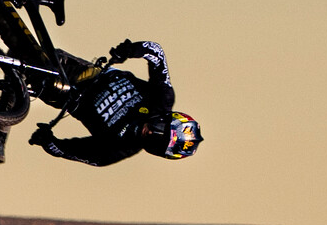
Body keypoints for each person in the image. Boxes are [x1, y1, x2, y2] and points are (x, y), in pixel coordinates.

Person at [29, 40, 203, 168]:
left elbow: (83, 153)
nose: (150, 133)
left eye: (156, 143)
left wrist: (50, 142)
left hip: (69, 98)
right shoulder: (163, 98)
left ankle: (2, 128)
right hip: (90, 75)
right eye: (159, 131)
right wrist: (130, 50)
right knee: (33, 54)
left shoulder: (121, 148)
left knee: (21, 81)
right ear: (167, 118)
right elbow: (156, 53)